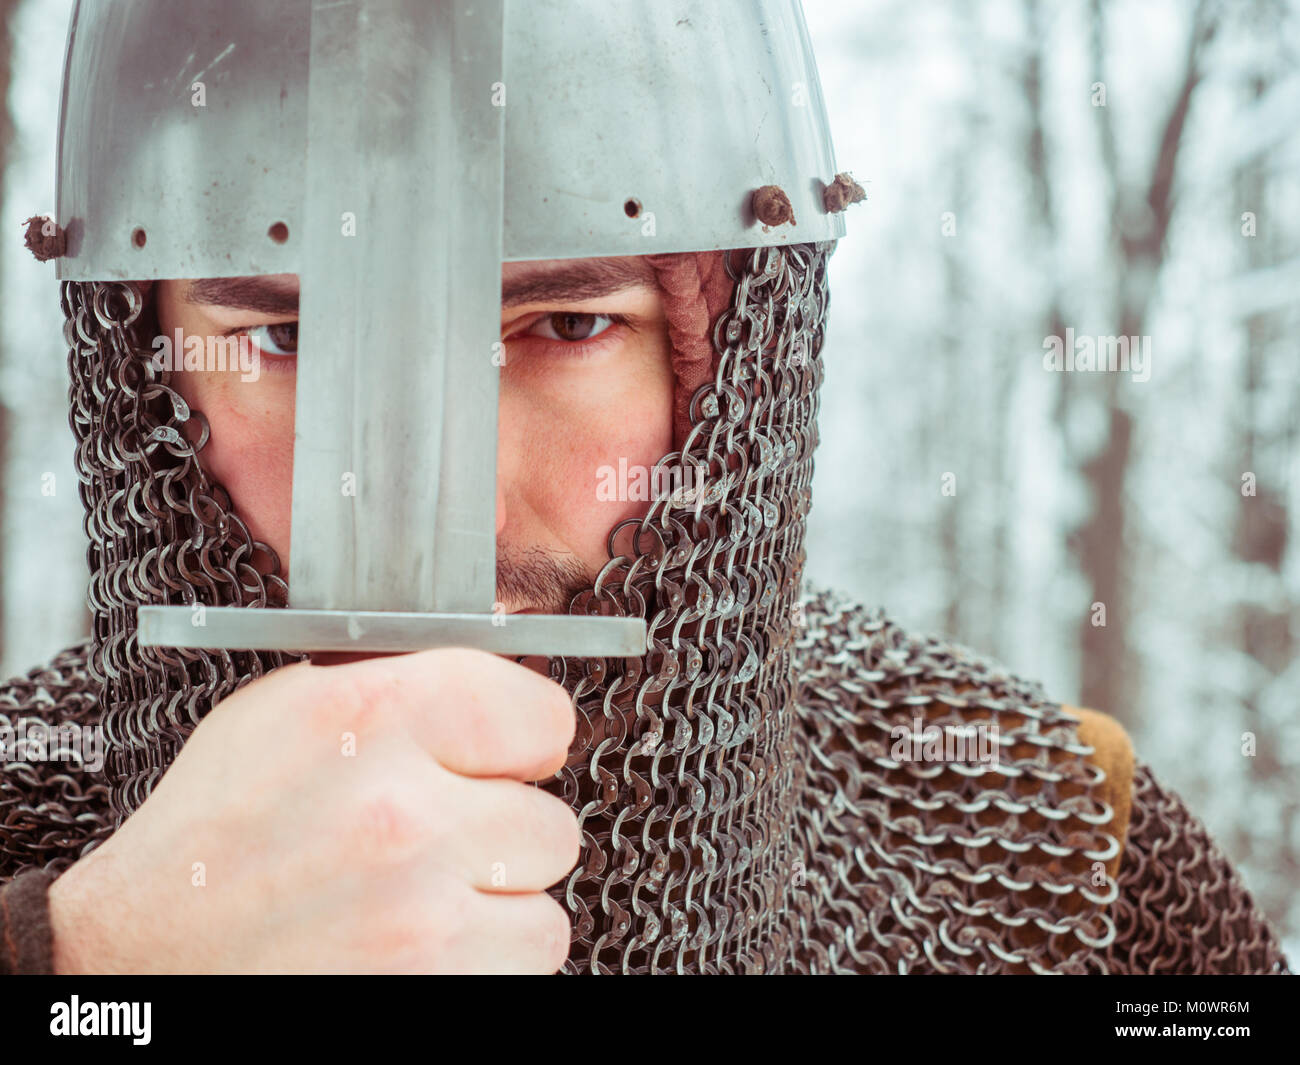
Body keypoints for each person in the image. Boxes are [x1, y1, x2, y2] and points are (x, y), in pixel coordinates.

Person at [0, 0, 1289, 975]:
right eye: (285, 342)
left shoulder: (1046, 833)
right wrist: (84, 967)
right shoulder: (25, 815)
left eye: (567, 325)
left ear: (728, 368)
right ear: (139, 379)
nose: (464, 518)